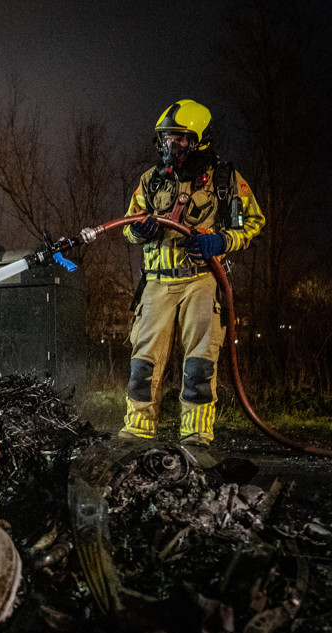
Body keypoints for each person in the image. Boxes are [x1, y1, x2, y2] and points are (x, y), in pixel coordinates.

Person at [119, 99, 265, 447]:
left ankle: (196, 434)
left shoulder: (226, 179)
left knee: (199, 363)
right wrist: (137, 232)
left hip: (201, 280)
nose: (173, 145)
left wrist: (222, 240)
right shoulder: (150, 180)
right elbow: (127, 224)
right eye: (168, 138)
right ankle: (137, 430)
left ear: (200, 138)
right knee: (143, 362)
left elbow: (253, 223)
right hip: (156, 282)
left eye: (181, 138)